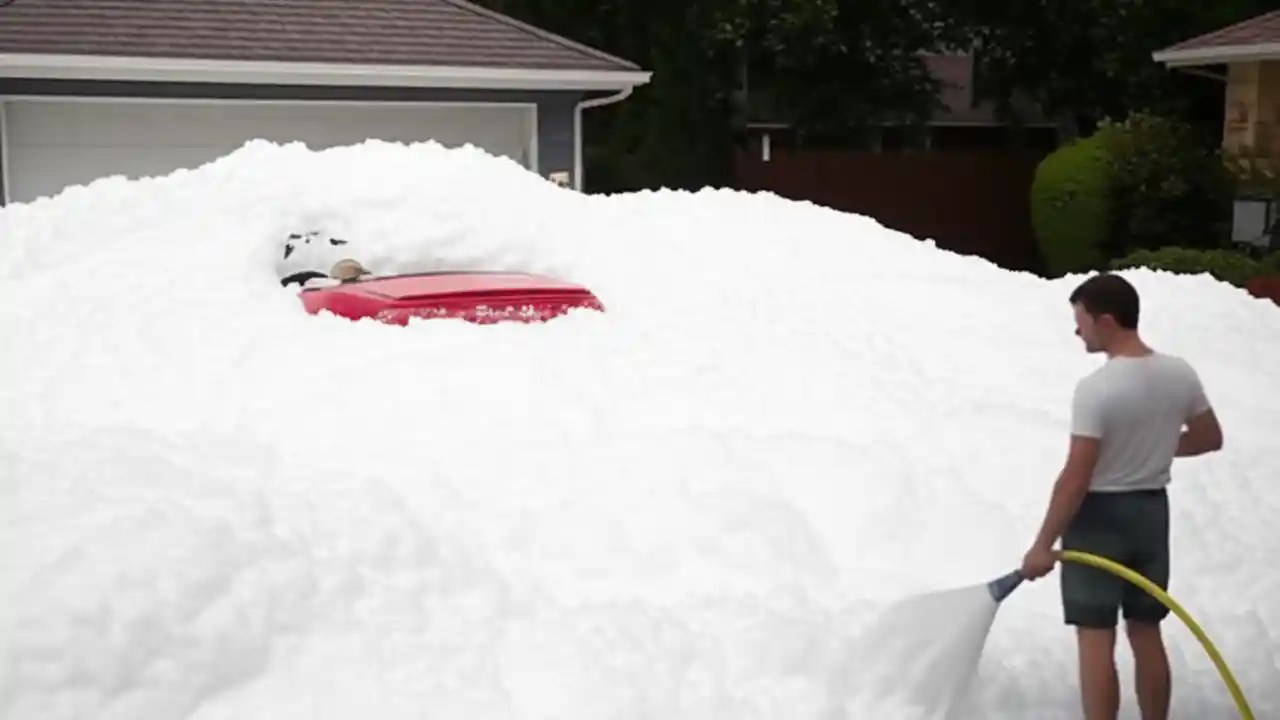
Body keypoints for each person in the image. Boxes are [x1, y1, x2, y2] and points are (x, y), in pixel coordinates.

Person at [1020, 272, 1224, 720]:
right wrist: (1154, 444)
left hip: (1099, 519)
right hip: (1151, 515)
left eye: (1082, 320)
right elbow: (1210, 437)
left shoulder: (1097, 390)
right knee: (1146, 629)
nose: (1078, 331)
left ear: (1106, 321)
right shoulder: (1179, 373)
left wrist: (1041, 545)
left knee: (1095, 638)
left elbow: (1077, 475)